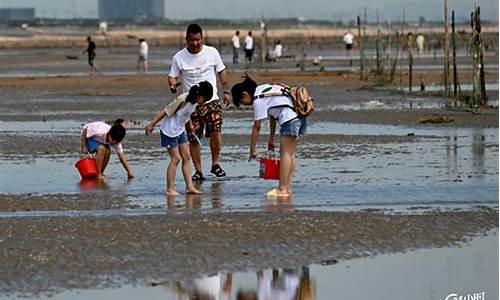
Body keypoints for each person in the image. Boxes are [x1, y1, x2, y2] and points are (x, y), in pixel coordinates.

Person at [168, 23, 231, 181]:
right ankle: (198, 171)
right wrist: (172, 84)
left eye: (197, 40)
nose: (195, 43)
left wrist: (226, 90)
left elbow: (221, 71)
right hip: (191, 104)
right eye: (191, 40)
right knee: (194, 137)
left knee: (216, 131)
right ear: (186, 39)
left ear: (201, 38)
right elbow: (172, 75)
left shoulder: (212, 52)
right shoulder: (179, 57)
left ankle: (215, 164)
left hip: (212, 100)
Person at [231, 75, 307, 197]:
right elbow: (273, 115)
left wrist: (252, 149)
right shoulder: (263, 89)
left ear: (245, 94)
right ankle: (287, 188)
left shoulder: (258, 99)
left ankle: (282, 189)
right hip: (299, 117)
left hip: (289, 119)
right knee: (290, 154)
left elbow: (257, 126)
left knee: (285, 154)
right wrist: (271, 139)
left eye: (242, 102)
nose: (245, 105)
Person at [145, 81, 214, 196]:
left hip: (180, 130)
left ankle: (189, 187)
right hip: (169, 131)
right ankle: (170, 189)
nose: (204, 103)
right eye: (204, 99)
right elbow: (165, 111)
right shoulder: (182, 99)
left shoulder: (194, 102)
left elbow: (185, 114)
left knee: (186, 157)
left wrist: (189, 125)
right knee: (175, 159)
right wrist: (151, 124)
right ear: (199, 95)